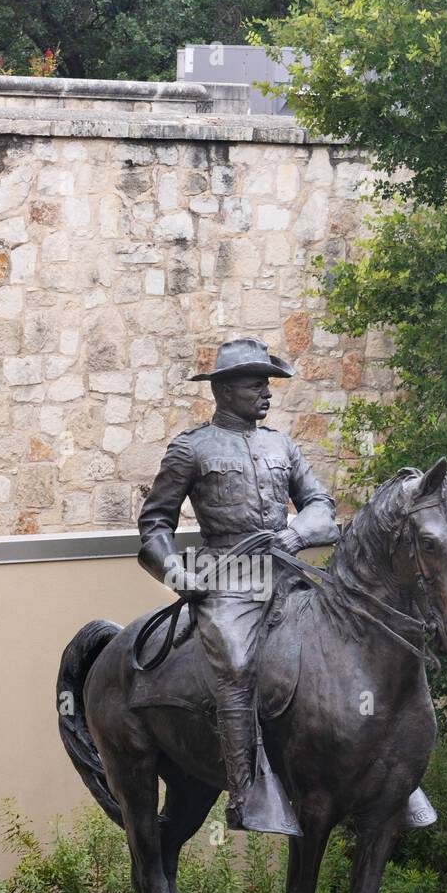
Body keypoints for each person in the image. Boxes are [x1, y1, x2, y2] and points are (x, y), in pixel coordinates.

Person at [137, 336, 340, 835]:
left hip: (289, 575)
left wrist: (295, 534)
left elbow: (321, 505)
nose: (266, 393)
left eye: (268, 384)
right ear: (224, 390)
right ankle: (247, 793)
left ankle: (385, 773)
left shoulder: (282, 445)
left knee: (354, 633)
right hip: (230, 585)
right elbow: (154, 526)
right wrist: (177, 574)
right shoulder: (192, 448)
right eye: (255, 384)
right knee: (236, 658)